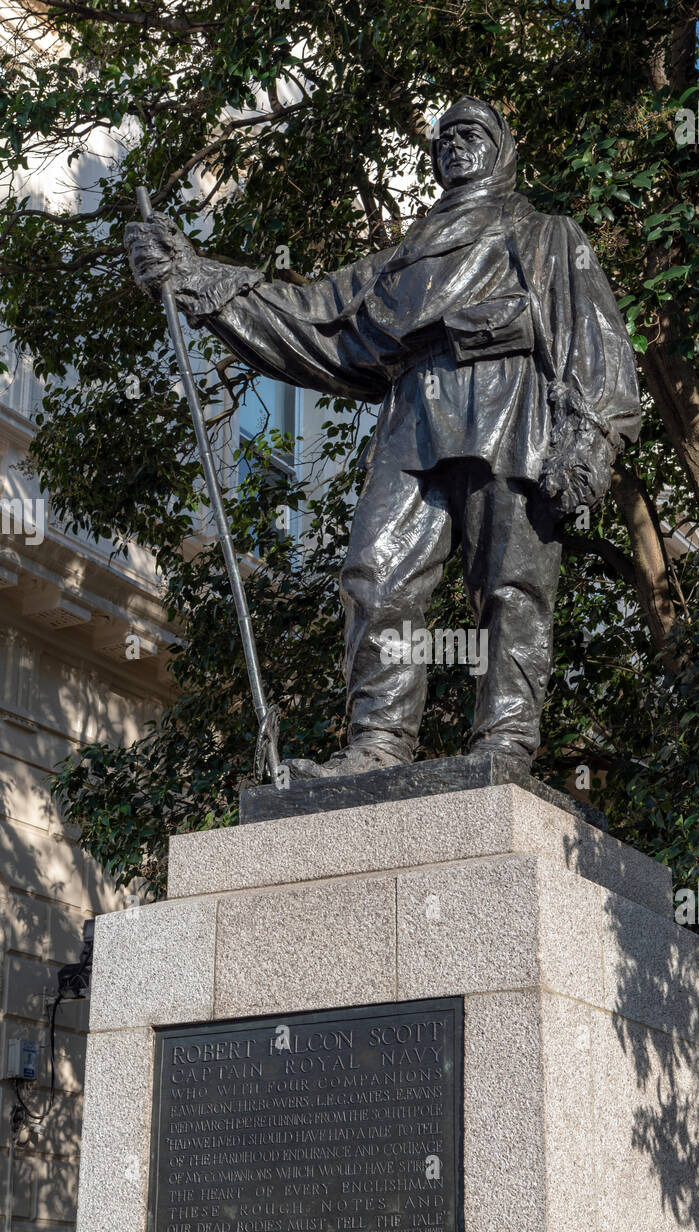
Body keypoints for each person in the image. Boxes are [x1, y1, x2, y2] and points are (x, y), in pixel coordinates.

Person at [125, 96, 640, 778]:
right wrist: (193, 274)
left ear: (503, 149)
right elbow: (316, 319)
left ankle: (504, 744)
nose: (455, 145)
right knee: (374, 573)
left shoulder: (546, 236)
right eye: (445, 136)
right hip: (412, 422)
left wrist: (590, 440)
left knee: (510, 587)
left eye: (472, 133)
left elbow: (597, 342)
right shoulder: (399, 263)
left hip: (511, 418)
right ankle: (378, 741)